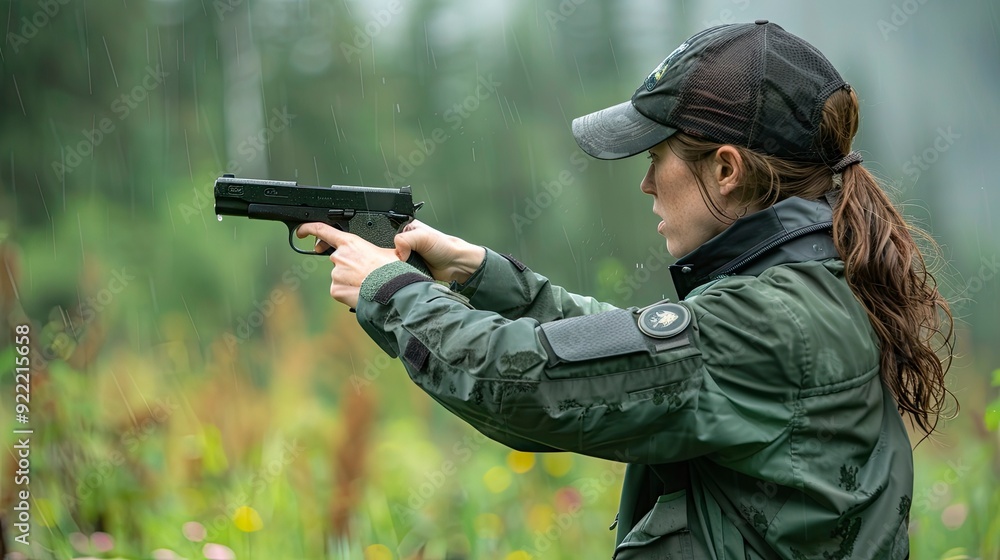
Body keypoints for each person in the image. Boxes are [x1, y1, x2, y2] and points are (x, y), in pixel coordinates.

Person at [297, 21, 954, 560]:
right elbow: (637, 358)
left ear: (726, 170)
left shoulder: (770, 320)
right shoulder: (813, 288)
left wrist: (390, 291)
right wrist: (478, 271)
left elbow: (529, 385)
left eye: (653, 159)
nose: (645, 186)